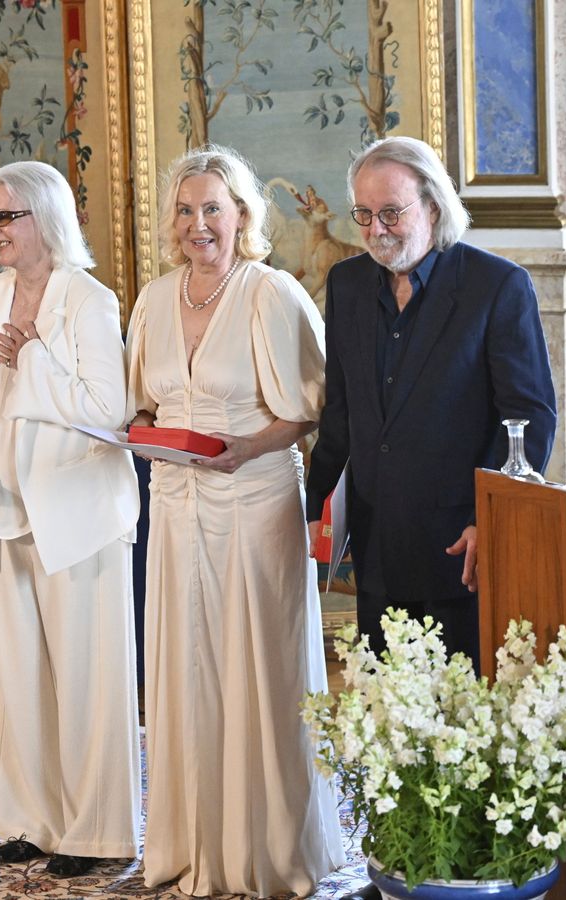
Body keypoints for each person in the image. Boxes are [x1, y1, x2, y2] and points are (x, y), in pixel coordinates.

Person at [309, 140, 556, 900]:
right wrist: (309, 519)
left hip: (462, 548)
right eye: (364, 215)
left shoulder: (496, 287)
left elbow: (529, 416)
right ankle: (399, 871)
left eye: (392, 212)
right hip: (378, 547)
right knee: (389, 723)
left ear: (434, 206)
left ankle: (466, 875)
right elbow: (341, 420)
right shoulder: (348, 286)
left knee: (459, 726)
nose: (377, 229)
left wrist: (495, 517)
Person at [127, 145, 344, 896]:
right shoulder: (154, 299)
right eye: (185, 211)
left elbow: (307, 409)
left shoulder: (270, 292)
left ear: (242, 215)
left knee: (259, 669)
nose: (198, 224)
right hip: (174, 504)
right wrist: (140, 431)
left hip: (254, 501)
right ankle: (190, 845)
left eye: (212, 208)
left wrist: (242, 446)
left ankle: (267, 851)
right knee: (185, 667)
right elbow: (144, 404)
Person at [0, 161, 141, 878]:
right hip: (6, 511)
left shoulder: (88, 299)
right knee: (20, 681)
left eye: (8, 218)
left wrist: (33, 358)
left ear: (45, 219)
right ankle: (28, 820)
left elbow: (106, 411)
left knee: (87, 683)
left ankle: (97, 833)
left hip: (80, 516)